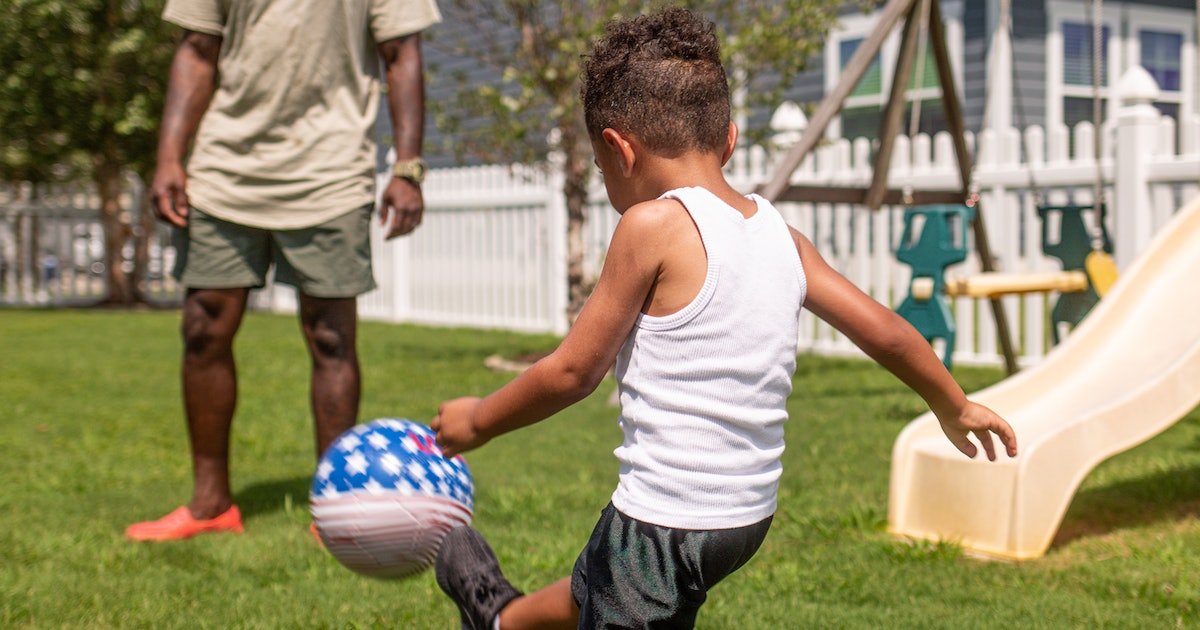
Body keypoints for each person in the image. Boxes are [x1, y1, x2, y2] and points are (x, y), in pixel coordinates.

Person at [429, 8, 1018, 629]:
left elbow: (574, 372)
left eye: (602, 171)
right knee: (603, 575)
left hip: (667, 518)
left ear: (617, 149)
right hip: (745, 517)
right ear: (729, 138)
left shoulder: (651, 225)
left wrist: (479, 420)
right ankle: (502, 618)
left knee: (628, 573)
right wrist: (953, 404)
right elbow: (889, 330)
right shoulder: (780, 236)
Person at [125, 0, 441, 542]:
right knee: (203, 328)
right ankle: (210, 505)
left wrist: (408, 167)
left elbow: (401, 54)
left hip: (331, 169)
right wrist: (169, 156)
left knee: (330, 338)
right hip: (225, 168)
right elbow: (197, 51)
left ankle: (335, 508)